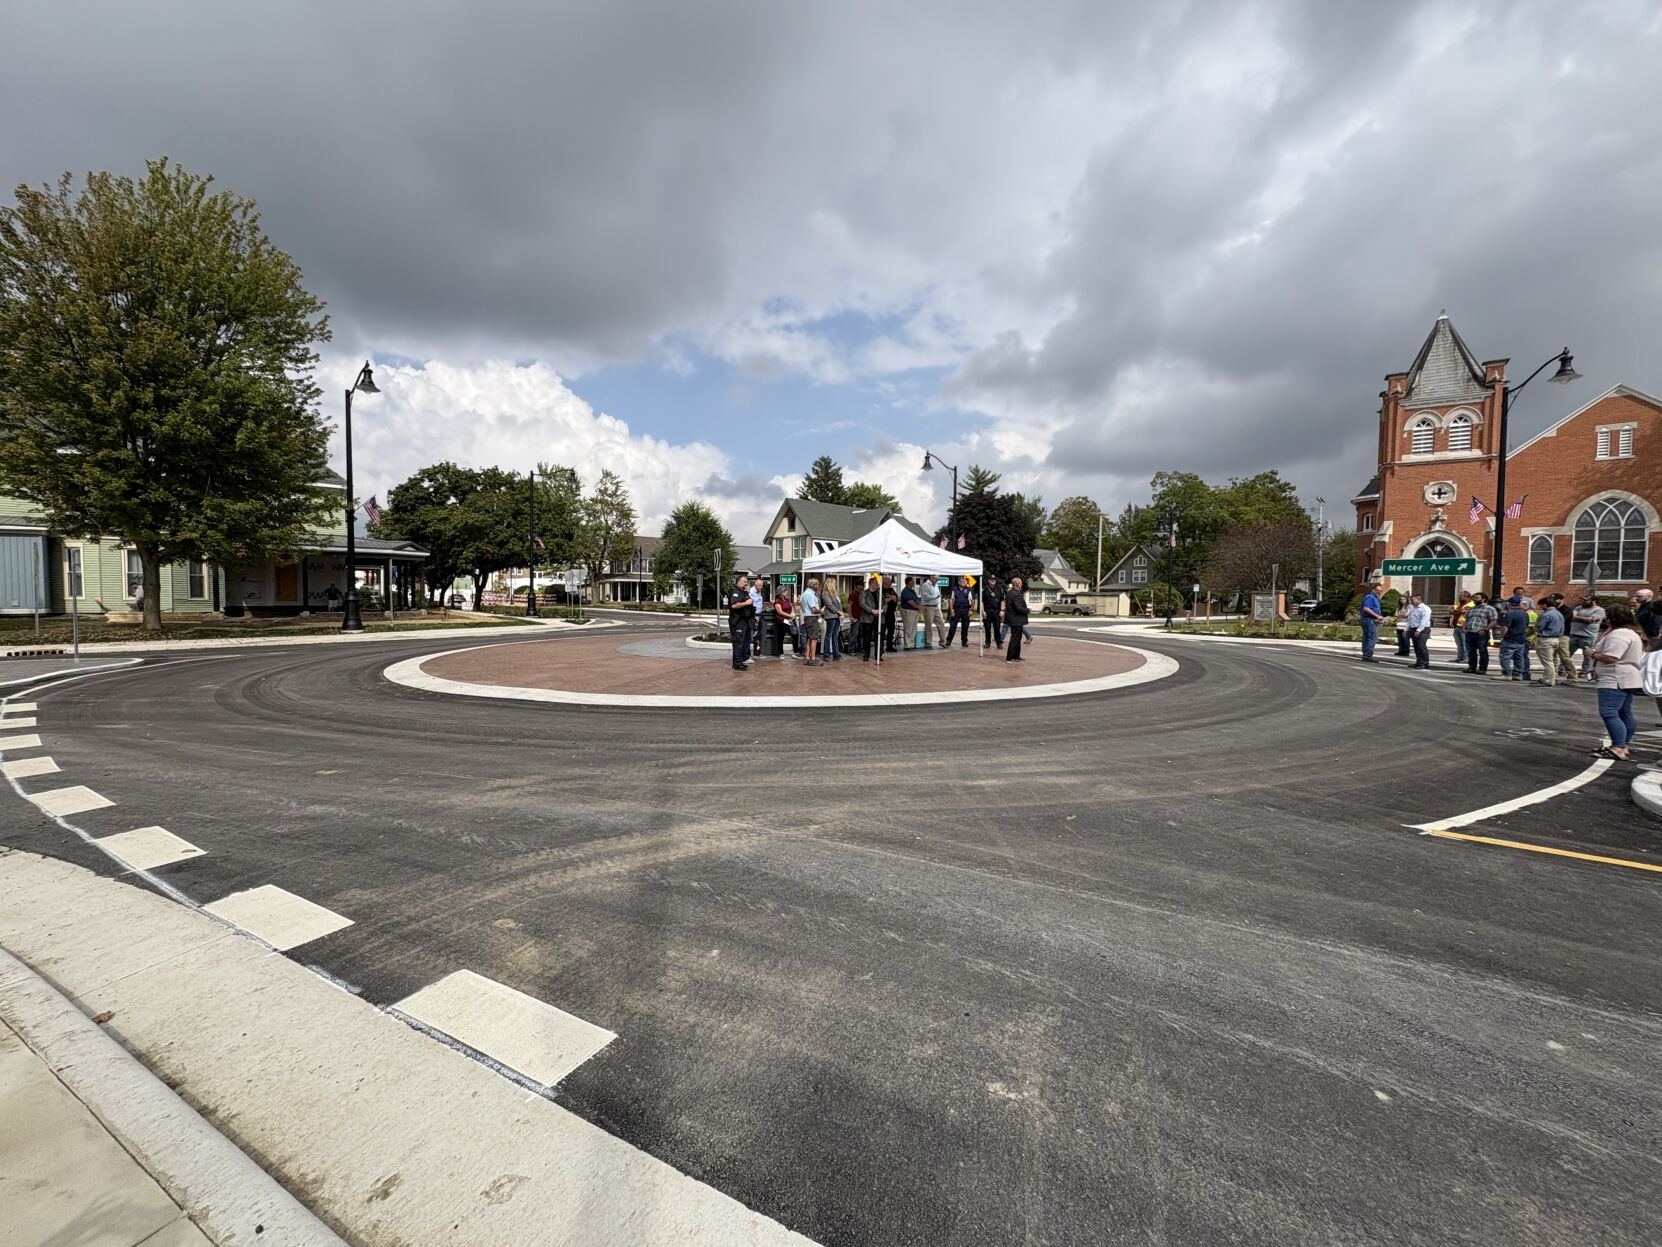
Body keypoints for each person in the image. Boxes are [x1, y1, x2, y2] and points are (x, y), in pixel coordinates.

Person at [1588, 603, 1645, 760]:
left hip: (1615, 678)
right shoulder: (1631, 633)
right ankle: (1623, 745)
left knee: (1609, 712)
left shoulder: (1618, 635)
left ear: (1612, 618)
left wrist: (1592, 653)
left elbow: (1611, 657)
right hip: (1628, 677)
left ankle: (1618, 747)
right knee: (1624, 712)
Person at [1570, 594, 1605, 679]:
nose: (1583, 602)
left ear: (1593, 600)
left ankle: (1585, 672)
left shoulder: (1600, 610)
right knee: (1567, 653)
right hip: (1574, 634)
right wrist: (1585, 618)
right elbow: (1571, 617)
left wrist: (1578, 617)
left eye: (1586, 600)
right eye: (1583, 600)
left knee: (1587, 656)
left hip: (1589, 636)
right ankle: (1564, 669)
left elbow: (1590, 620)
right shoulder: (1578, 608)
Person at [1533, 594, 1566, 686]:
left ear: (1545, 605)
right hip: (1556, 638)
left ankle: (1549, 680)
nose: (1540, 607)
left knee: (1547, 661)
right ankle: (1548, 678)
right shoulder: (1559, 613)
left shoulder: (1546, 615)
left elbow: (1539, 628)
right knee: (1552, 660)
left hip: (1546, 639)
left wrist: (1535, 628)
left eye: (1541, 605)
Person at [1497, 595, 1531, 680]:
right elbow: (1526, 627)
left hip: (1510, 638)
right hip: (1521, 639)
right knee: (1519, 657)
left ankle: (1506, 674)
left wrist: (1502, 637)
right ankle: (1517, 674)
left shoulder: (1509, 613)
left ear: (1509, 604)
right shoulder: (1525, 614)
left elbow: (1505, 627)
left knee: (1505, 656)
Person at [1462, 592, 1496, 675]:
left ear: (1483, 599)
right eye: (1474, 598)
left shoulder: (1489, 609)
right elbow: (1466, 619)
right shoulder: (1471, 609)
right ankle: (1472, 667)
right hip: (1470, 633)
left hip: (1481, 633)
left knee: (1482, 651)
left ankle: (1482, 669)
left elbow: (1493, 621)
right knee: (1470, 651)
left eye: (1477, 598)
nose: (1474, 599)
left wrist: (1485, 629)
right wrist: (1464, 628)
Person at [726, 576, 755, 671]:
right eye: (744, 582)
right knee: (738, 642)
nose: (746, 583)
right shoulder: (735, 591)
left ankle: (740, 660)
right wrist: (747, 603)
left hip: (744, 620)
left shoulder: (743, 592)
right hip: (737, 621)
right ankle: (737, 664)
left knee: (743, 642)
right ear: (738, 582)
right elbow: (734, 605)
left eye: (746, 582)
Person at [1004, 577, 1030, 662]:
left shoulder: (1012, 592)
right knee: (1015, 639)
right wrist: (1027, 610)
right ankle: (1010, 657)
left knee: (1018, 638)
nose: (1021, 584)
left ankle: (1016, 656)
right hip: (1015, 619)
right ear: (1017, 584)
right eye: (1021, 583)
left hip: (1015, 619)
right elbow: (1018, 607)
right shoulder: (1014, 594)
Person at [917, 575, 947, 648]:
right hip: (928, 607)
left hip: (936, 607)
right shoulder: (925, 585)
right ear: (931, 578)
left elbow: (938, 594)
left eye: (938, 579)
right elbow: (925, 596)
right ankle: (928, 643)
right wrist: (935, 597)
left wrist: (939, 601)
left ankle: (942, 642)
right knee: (928, 626)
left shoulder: (936, 585)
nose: (937, 581)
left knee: (941, 624)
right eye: (936, 579)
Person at [1358, 581, 1384, 662]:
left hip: (1370, 619)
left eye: (1380, 591)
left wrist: (1376, 618)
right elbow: (1366, 608)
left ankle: (1366, 654)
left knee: (1367, 637)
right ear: (1373, 590)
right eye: (1378, 590)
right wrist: (1377, 616)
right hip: (1368, 620)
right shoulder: (1370, 597)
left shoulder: (1375, 598)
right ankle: (1368, 655)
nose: (1379, 592)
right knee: (1372, 637)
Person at [800, 577, 823, 667]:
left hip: (807, 617)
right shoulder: (810, 594)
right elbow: (813, 609)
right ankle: (813, 658)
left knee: (809, 638)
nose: (818, 585)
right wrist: (821, 611)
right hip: (811, 617)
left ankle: (807, 657)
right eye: (817, 584)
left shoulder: (806, 593)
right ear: (813, 585)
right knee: (814, 638)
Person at [859, 574, 882, 661]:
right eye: (876, 583)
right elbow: (862, 604)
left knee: (878, 637)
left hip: (878, 618)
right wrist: (872, 610)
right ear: (871, 584)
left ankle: (878, 655)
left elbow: (884, 603)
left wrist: (882, 610)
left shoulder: (879, 593)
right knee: (867, 638)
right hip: (867, 619)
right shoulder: (864, 593)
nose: (877, 585)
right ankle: (866, 655)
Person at [1406, 593, 1432, 668]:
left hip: (1423, 629)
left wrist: (1418, 630)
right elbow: (1410, 619)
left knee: (1421, 646)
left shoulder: (1425, 608)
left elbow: (1424, 620)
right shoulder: (1413, 608)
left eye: (1412, 600)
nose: (1411, 602)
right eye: (1411, 600)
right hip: (1413, 628)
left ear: (1419, 599)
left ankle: (1425, 663)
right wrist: (1406, 629)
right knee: (1416, 646)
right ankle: (1419, 662)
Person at [821, 577, 843, 661]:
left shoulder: (835, 593)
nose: (836, 584)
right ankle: (826, 655)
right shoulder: (826, 593)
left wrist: (840, 613)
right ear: (830, 584)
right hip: (831, 616)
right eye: (834, 583)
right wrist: (838, 612)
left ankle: (836, 655)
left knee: (835, 636)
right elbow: (830, 605)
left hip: (836, 616)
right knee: (829, 635)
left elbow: (839, 604)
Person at [947, 577, 973, 648]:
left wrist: (971, 610)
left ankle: (964, 641)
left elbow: (972, 600)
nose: (963, 582)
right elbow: (951, 600)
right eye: (962, 581)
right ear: (958, 582)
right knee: (953, 626)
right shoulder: (954, 589)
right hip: (956, 609)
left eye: (964, 581)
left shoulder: (969, 589)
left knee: (965, 627)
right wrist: (951, 610)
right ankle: (948, 641)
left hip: (965, 610)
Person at [981, 575, 1004, 651]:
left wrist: (1002, 610)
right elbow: (982, 601)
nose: (993, 581)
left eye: (994, 579)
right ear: (988, 580)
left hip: (996, 611)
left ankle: (999, 643)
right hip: (987, 611)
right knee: (987, 628)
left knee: (997, 628)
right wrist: (983, 611)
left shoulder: (999, 589)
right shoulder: (984, 589)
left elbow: (1002, 600)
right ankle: (987, 642)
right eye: (991, 579)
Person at [899, 577, 922, 650]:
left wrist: (920, 605)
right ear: (908, 582)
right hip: (908, 611)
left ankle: (911, 644)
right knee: (908, 628)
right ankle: (907, 645)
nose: (914, 583)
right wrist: (918, 607)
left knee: (913, 628)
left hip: (914, 611)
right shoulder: (905, 591)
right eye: (912, 581)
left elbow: (916, 600)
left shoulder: (912, 591)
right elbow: (910, 602)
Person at [1450, 590, 1472, 665]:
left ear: (1467, 597)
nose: (1459, 597)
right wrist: (1457, 611)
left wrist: (1456, 611)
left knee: (1465, 643)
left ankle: (1467, 658)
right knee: (1459, 643)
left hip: (1464, 627)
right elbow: (1451, 611)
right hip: (1456, 626)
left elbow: (1463, 611)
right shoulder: (1460, 605)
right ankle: (1460, 657)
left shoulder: (1471, 604)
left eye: (1461, 596)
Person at [774, 585, 797, 657]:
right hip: (781, 621)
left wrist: (792, 615)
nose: (786, 592)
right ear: (781, 592)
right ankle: (781, 653)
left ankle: (795, 652)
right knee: (781, 637)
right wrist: (789, 616)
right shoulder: (777, 601)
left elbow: (791, 608)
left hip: (790, 621)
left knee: (795, 635)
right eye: (785, 591)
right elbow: (780, 612)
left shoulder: (787, 600)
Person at [882, 576, 901, 653]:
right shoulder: (881, 590)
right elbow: (882, 601)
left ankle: (889, 646)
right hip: (884, 613)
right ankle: (880, 647)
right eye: (890, 582)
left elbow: (897, 598)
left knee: (891, 630)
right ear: (885, 582)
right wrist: (891, 598)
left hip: (891, 613)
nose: (891, 583)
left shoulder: (891, 590)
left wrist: (896, 598)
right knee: (882, 630)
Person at [749, 578, 766, 657]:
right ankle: (754, 652)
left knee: (759, 634)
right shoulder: (751, 592)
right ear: (755, 585)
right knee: (754, 634)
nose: (761, 587)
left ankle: (757, 651)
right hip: (754, 616)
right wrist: (754, 616)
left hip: (760, 615)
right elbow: (750, 605)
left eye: (761, 585)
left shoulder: (759, 591)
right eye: (759, 585)